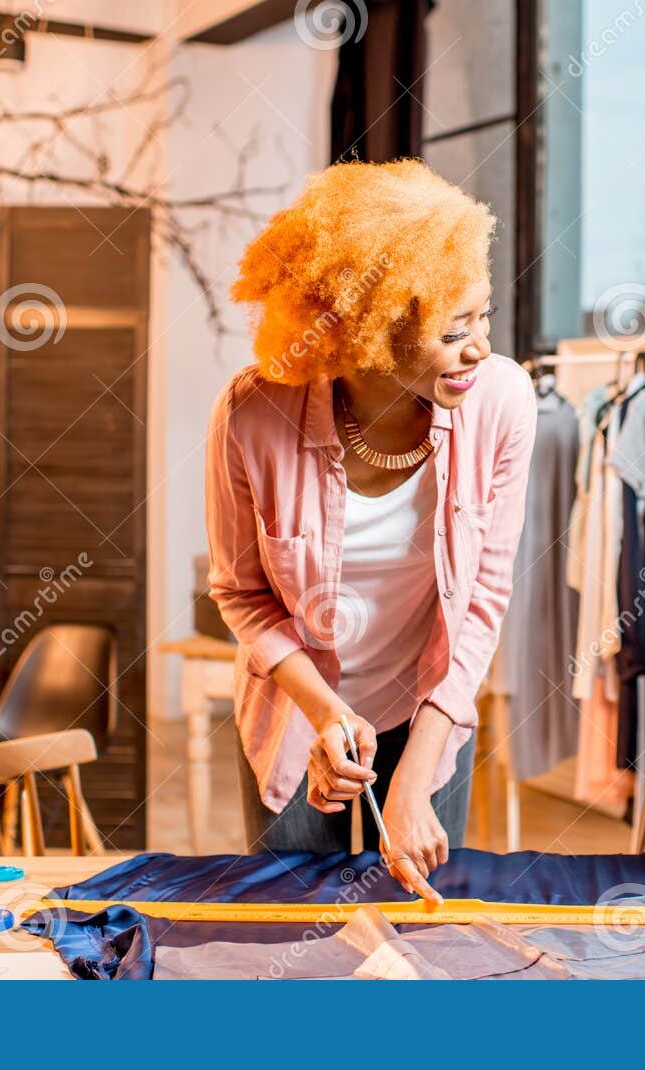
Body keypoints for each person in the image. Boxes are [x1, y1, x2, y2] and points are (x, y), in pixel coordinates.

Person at [204, 160, 535, 901]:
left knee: (413, 926)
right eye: (455, 332)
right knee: (292, 923)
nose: (481, 346)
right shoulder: (254, 414)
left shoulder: (502, 401)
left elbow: (485, 600)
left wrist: (413, 779)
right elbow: (241, 595)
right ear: (370, 335)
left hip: (430, 708)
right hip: (295, 716)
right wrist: (323, 712)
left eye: (483, 316)